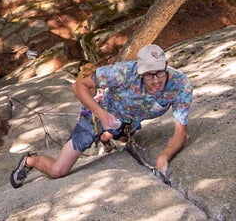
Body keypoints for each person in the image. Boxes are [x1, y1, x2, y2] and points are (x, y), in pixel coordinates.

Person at [10, 44, 192, 188]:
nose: (155, 80)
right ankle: (31, 160)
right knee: (59, 171)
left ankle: (107, 138)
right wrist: (102, 114)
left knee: (118, 132)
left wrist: (164, 157)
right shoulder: (123, 72)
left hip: (126, 122)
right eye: (149, 75)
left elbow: (180, 131)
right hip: (97, 116)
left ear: (166, 66)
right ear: (139, 71)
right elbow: (78, 85)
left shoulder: (180, 85)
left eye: (159, 72)